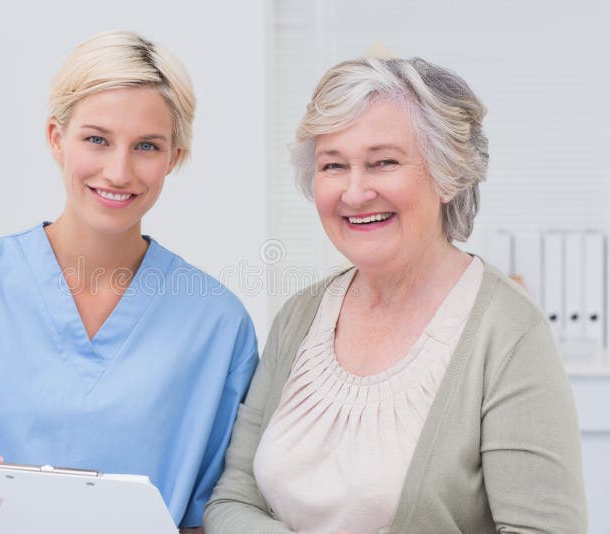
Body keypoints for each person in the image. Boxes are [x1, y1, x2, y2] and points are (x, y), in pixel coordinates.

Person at [0, 30, 258, 534]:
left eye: (147, 146)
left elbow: (213, 513)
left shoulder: (218, 325)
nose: (119, 171)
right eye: (96, 139)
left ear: (174, 157)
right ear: (55, 138)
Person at [205, 57, 587, 533]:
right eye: (333, 166)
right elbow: (232, 498)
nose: (356, 191)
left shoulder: (509, 333)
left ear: (446, 174)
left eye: (384, 162)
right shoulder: (300, 316)